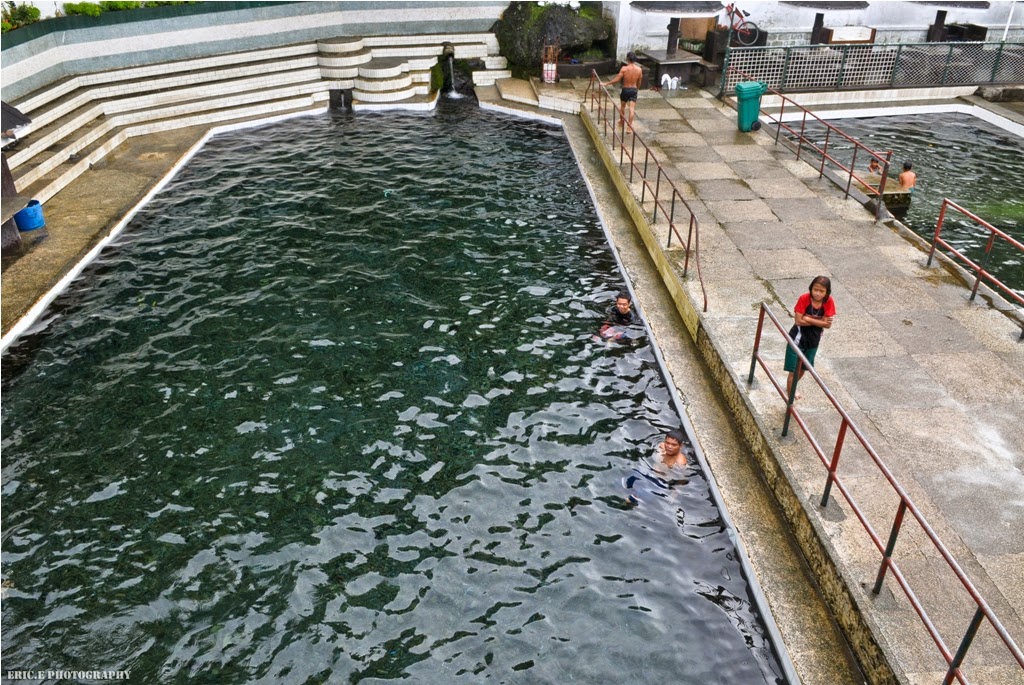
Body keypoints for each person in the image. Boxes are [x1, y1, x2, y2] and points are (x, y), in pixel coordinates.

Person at [784, 276, 836, 400]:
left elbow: (828, 325)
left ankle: (792, 387)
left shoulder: (828, 301)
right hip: (797, 339)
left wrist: (807, 318)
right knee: (793, 370)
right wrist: (819, 321)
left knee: (803, 368)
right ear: (811, 288)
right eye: (815, 290)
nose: (817, 293)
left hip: (813, 340)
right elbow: (798, 321)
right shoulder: (804, 299)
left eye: (821, 291)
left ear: (826, 292)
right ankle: (790, 395)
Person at [601, 51, 643, 130]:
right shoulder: (639, 70)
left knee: (623, 106)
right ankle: (629, 127)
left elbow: (616, 79)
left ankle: (621, 121)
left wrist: (606, 83)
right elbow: (639, 81)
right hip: (633, 89)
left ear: (627, 59)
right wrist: (637, 88)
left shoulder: (624, 69)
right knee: (631, 108)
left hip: (625, 89)